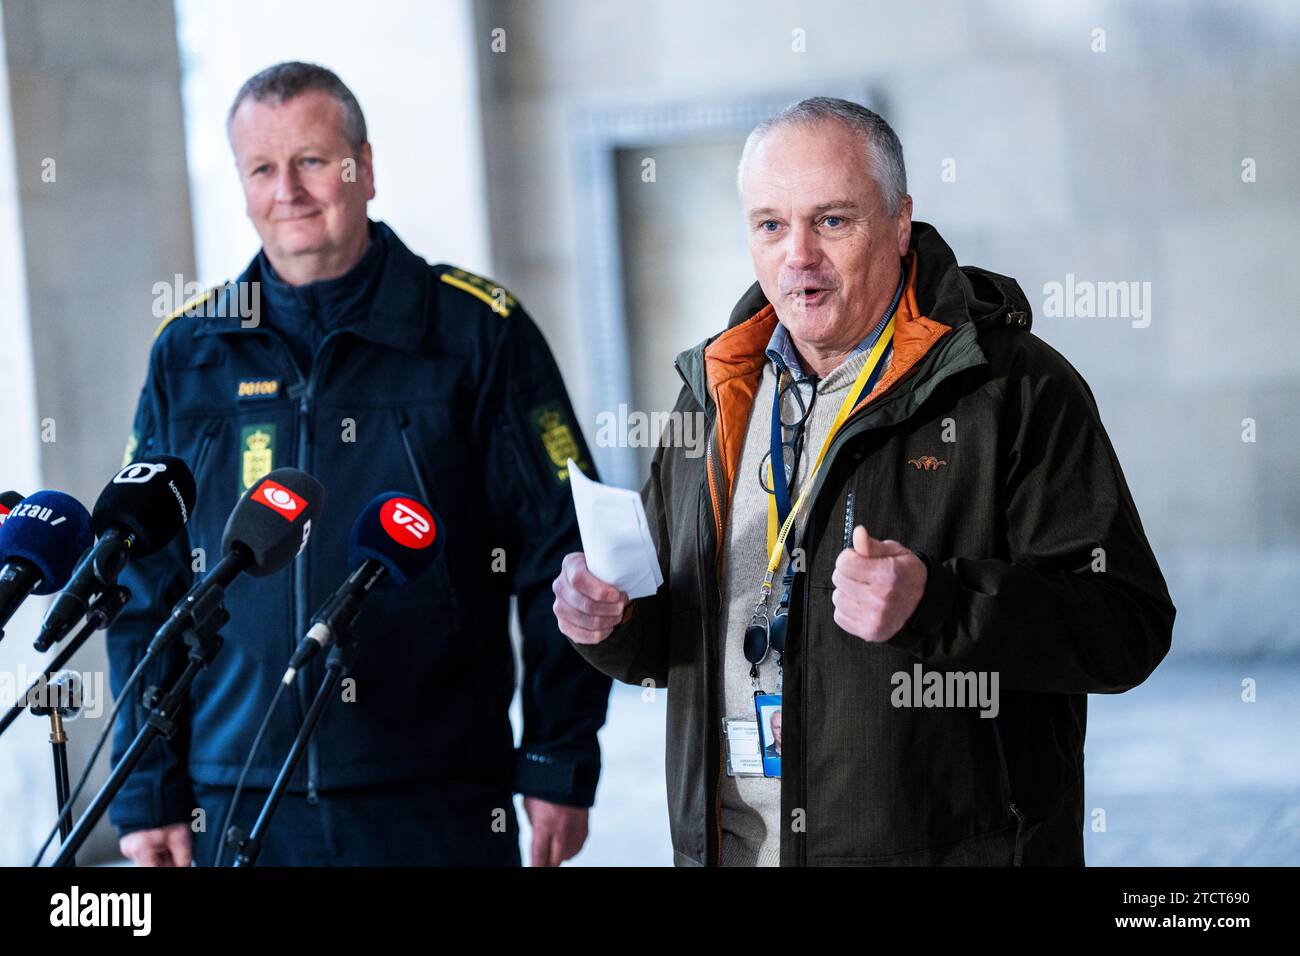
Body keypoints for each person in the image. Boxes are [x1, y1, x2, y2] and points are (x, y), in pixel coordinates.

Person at [552, 97, 1175, 867]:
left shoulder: (1012, 390)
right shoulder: (715, 391)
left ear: (900, 221)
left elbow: (1129, 628)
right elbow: (669, 642)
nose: (798, 257)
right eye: (771, 225)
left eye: (833, 221)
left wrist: (942, 605)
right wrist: (606, 624)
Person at [109, 61, 610, 867]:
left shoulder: (476, 331)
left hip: (436, 796)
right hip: (234, 799)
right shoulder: (189, 354)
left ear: (364, 170)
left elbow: (564, 549)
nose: (289, 192)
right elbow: (144, 590)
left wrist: (559, 757)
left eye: (312, 161)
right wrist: (144, 789)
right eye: (262, 170)